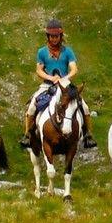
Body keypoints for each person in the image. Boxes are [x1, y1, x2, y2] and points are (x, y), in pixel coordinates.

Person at [23, 19, 95, 149]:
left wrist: (64, 78)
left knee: (84, 106)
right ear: (48, 36)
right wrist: (51, 78)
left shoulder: (68, 51)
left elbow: (74, 69)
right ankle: (27, 134)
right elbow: (39, 70)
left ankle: (88, 135)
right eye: (52, 36)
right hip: (47, 84)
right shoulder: (42, 52)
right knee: (32, 105)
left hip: (65, 84)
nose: (54, 39)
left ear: (60, 36)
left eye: (56, 36)